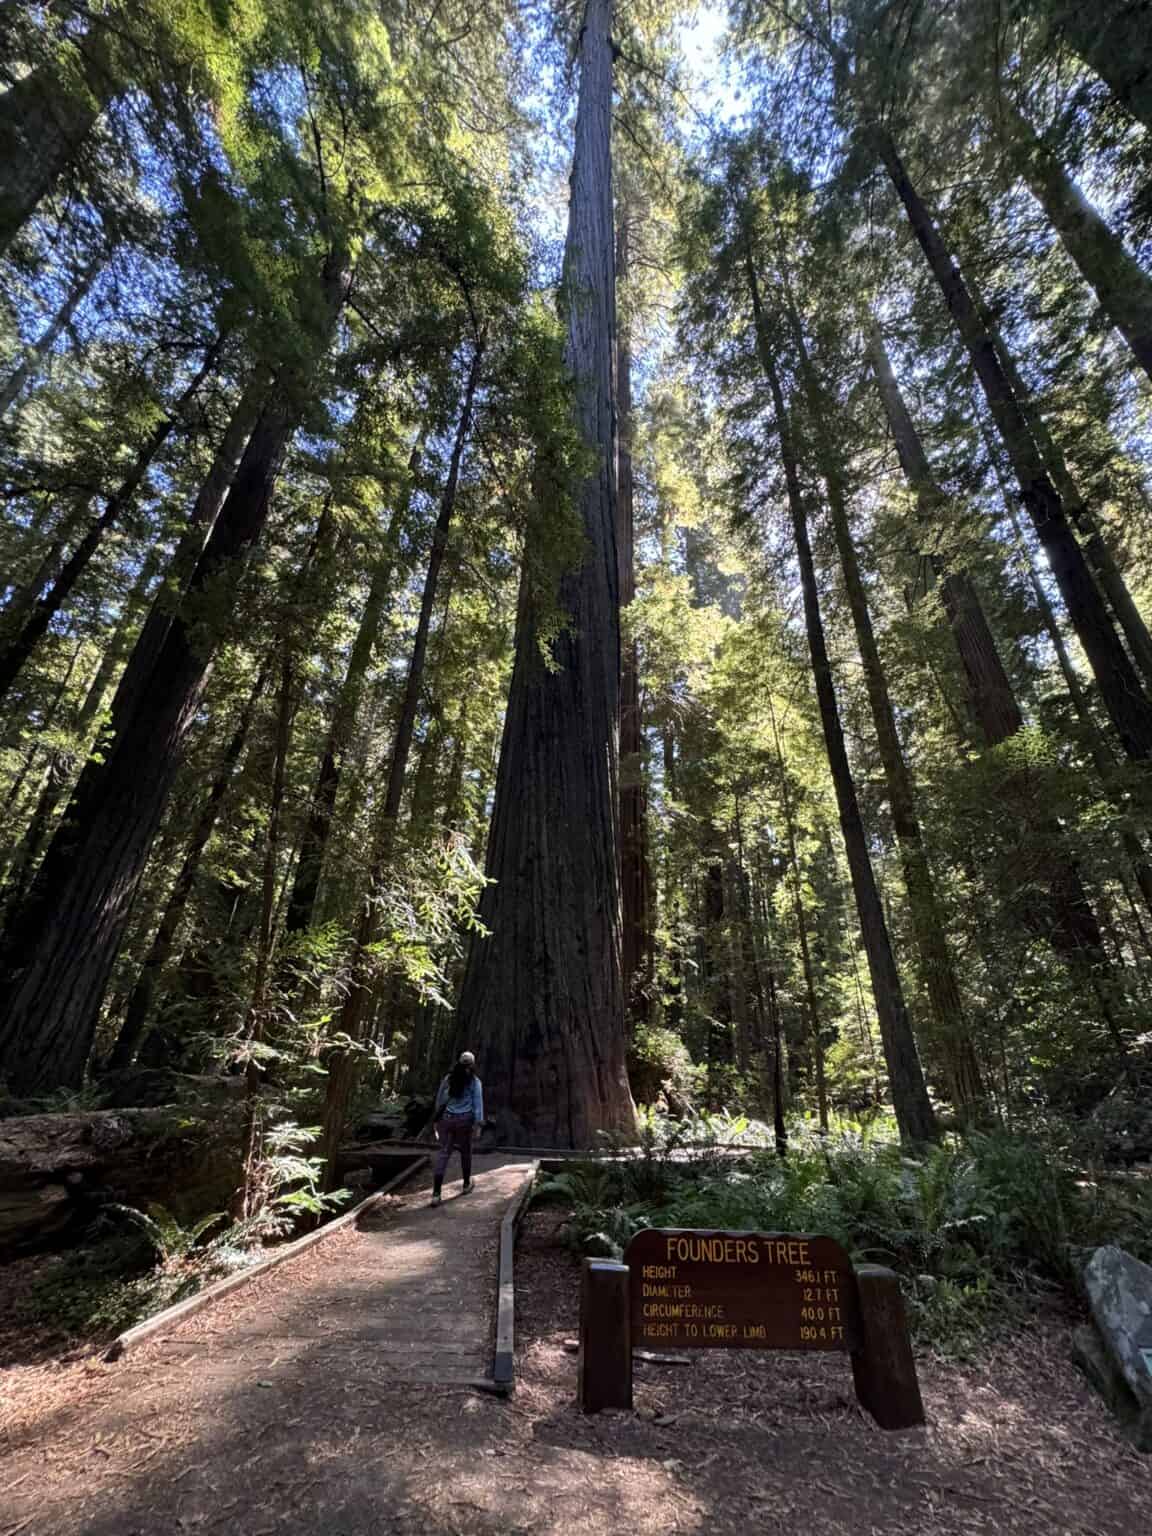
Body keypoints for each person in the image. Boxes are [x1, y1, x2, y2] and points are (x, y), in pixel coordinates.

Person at [430, 1050, 483, 1206]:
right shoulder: (475, 1081)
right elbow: (478, 1104)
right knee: (466, 1152)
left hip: (447, 1119)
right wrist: (478, 1124)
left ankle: (436, 1194)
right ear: (472, 1065)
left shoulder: (449, 1079)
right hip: (465, 1121)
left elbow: (440, 1100)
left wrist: (437, 1118)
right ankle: (466, 1184)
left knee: (443, 1154)